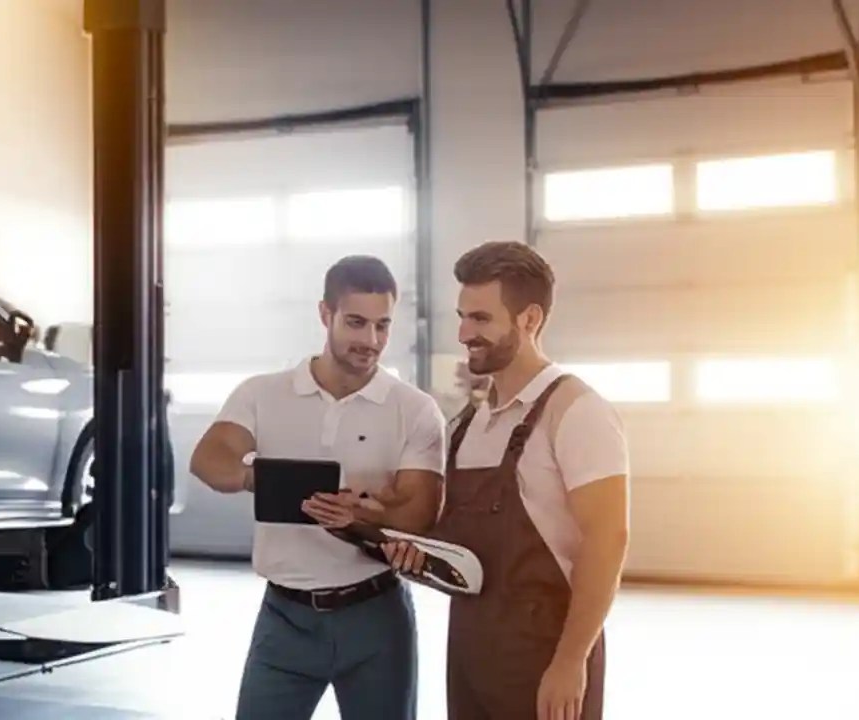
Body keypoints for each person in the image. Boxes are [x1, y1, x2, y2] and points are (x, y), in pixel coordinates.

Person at [189, 254, 447, 720]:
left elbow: (421, 511)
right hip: (284, 619)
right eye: (355, 322)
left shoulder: (415, 408)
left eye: (382, 326)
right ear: (325, 314)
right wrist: (267, 481)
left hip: (376, 615)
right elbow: (208, 460)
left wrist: (366, 514)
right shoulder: (262, 393)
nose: (370, 340)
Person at [384, 240, 630, 720]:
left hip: (545, 652)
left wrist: (570, 661)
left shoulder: (577, 411)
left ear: (530, 319)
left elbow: (609, 539)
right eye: (461, 316)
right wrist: (419, 558)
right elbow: (466, 552)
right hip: (472, 647)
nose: (463, 333)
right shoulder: (470, 424)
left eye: (480, 318)